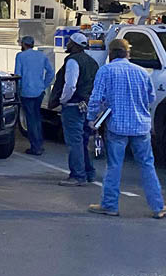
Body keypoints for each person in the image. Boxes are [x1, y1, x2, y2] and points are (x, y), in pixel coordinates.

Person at [86, 38, 165, 218]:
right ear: (128, 53)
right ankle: (158, 207)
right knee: (147, 165)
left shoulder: (106, 71)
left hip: (117, 127)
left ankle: (110, 205)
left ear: (111, 54)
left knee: (114, 166)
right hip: (141, 127)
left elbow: (96, 98)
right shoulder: (142, 72)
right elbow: (151, 98)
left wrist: (91, 119)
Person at [50, 32, 98, 186]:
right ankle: (89, 172)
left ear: (74, 44)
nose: (67, 44)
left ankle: (77, 175)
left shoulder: (72, 61)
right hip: (87, 105)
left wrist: (63, 100)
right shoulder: (92, 62)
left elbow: (70, 85)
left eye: (69, 42)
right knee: (83, 140)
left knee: (74, 141)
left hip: (73, 106)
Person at [14, 35, 55, 156]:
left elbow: (18, 75)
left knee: (30, 119)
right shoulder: (41, 56)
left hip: (26, 91)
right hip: (39, 91)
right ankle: (39, 144)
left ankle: (35, 146)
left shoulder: (20, 56)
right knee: (37, 118)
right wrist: (44, 84)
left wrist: (17, 90)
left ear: (23, 44)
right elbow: (51, 72)